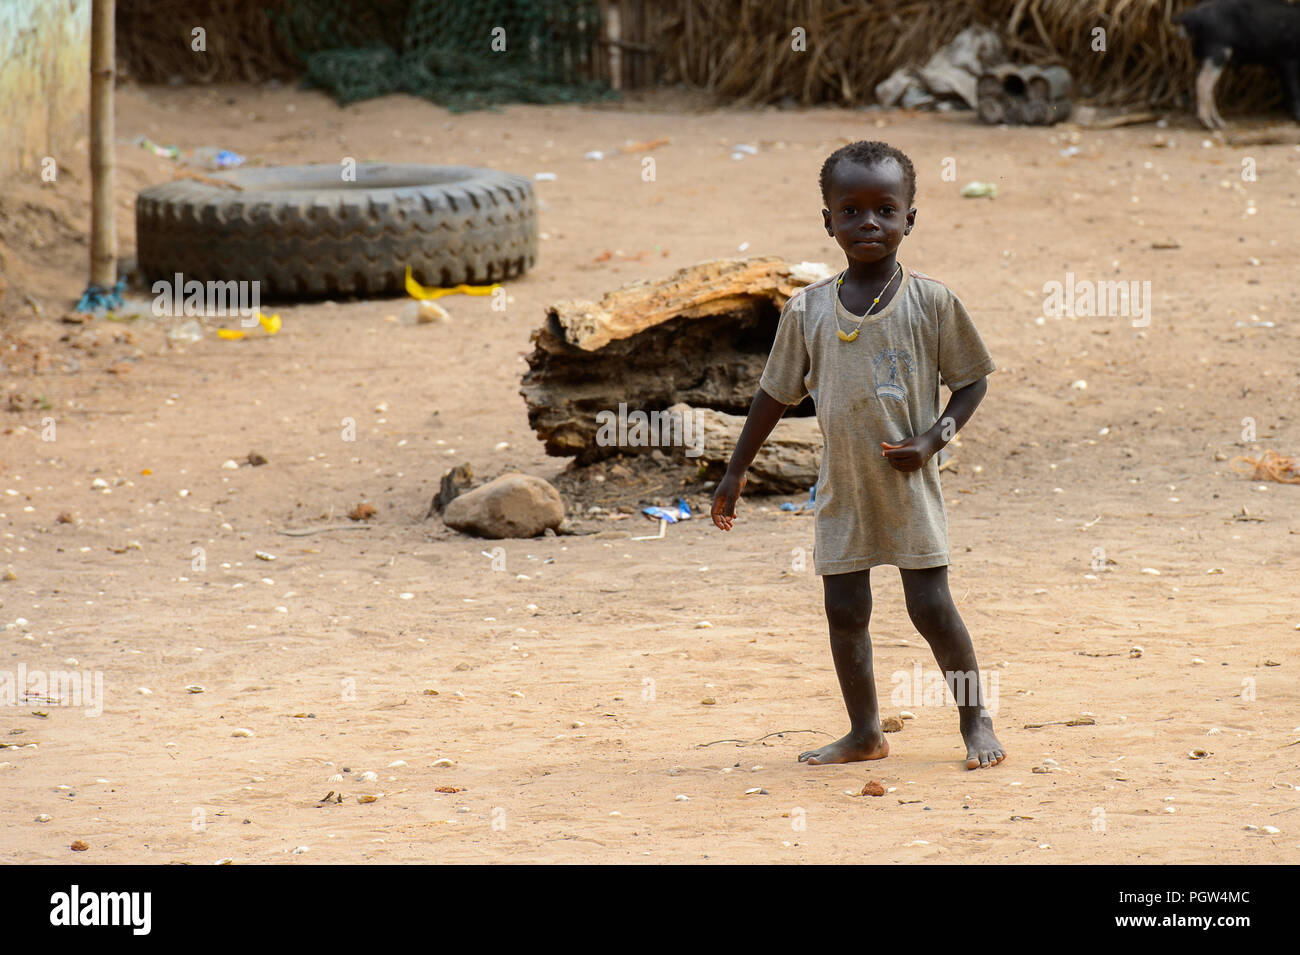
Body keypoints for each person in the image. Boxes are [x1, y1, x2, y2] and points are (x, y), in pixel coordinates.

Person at [710, 140, 1006, 769]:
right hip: (841, 487)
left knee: (931, 607)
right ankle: (865, 733)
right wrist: (736, 469)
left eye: (884, 210)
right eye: (850, 210)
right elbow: (773, 395)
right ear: (828, 221)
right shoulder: (808, 309)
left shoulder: (932, 302)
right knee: (845, 613)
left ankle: (975, 719)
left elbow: (972, 381)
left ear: (909, 219)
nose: (868, 223)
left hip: (909, 486)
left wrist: (933, 440)